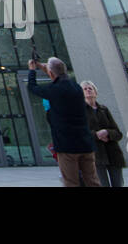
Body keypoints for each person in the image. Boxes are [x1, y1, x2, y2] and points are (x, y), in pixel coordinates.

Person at [27, 56, 100, 187]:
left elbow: (32, 87)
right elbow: (59, 78)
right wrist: (47, 69)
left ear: (51, 73)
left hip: (67, 145)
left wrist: (32, 70)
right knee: (93, 181)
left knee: (71, 182)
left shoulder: (54, 90)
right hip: (85, 143)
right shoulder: (77, 88)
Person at [81, 80, 125, 188]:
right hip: (94, 155)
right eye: (85, 89)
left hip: (112, 153)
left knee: (118, 183)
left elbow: (118, 133)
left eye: (90, 88)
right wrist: (96, 135)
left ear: (95, 92)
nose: (88, 91)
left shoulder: (104, 109)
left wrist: (107, 133)